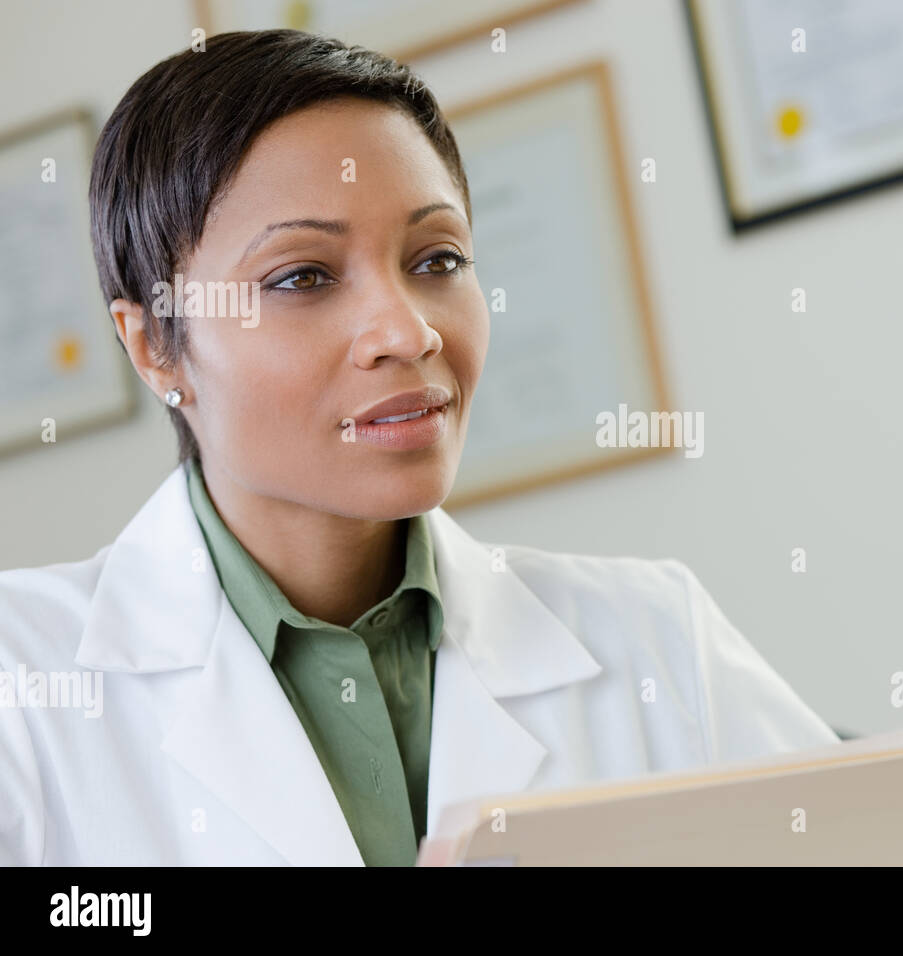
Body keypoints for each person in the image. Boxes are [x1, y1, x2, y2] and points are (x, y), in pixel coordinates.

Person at [0, 30, 837, 866]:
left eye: (437, 259)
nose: (408, 329)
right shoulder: (23, 686)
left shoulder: (657, 638)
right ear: (154, 346)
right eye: (303, 277)